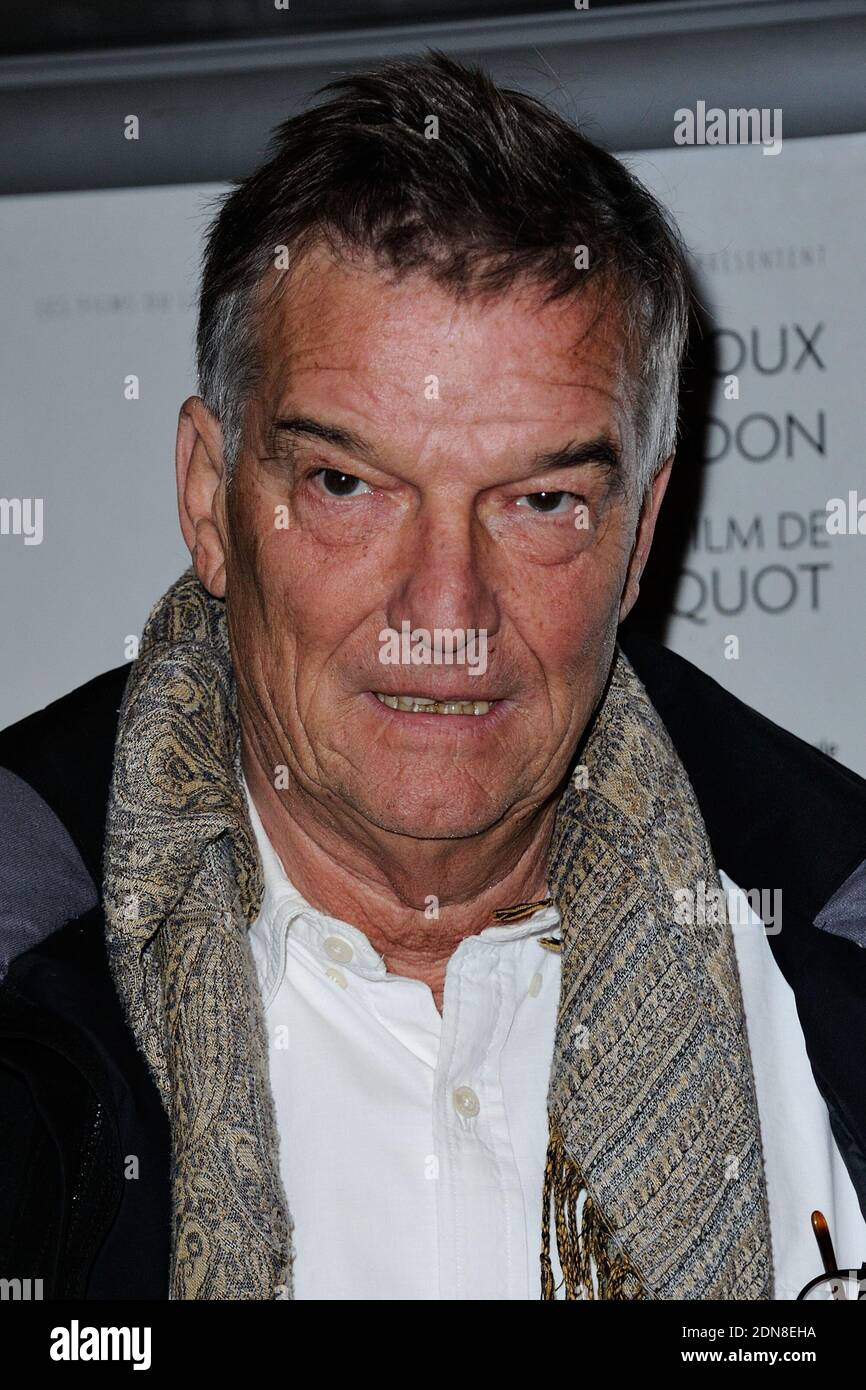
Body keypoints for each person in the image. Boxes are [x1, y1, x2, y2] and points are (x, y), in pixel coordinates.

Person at [2, 52, 865, 1302]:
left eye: (540, 501)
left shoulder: (824, 968)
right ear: (208, 498)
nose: (443, 613)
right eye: (348, 486)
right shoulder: (27, 978)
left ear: (639, 535)